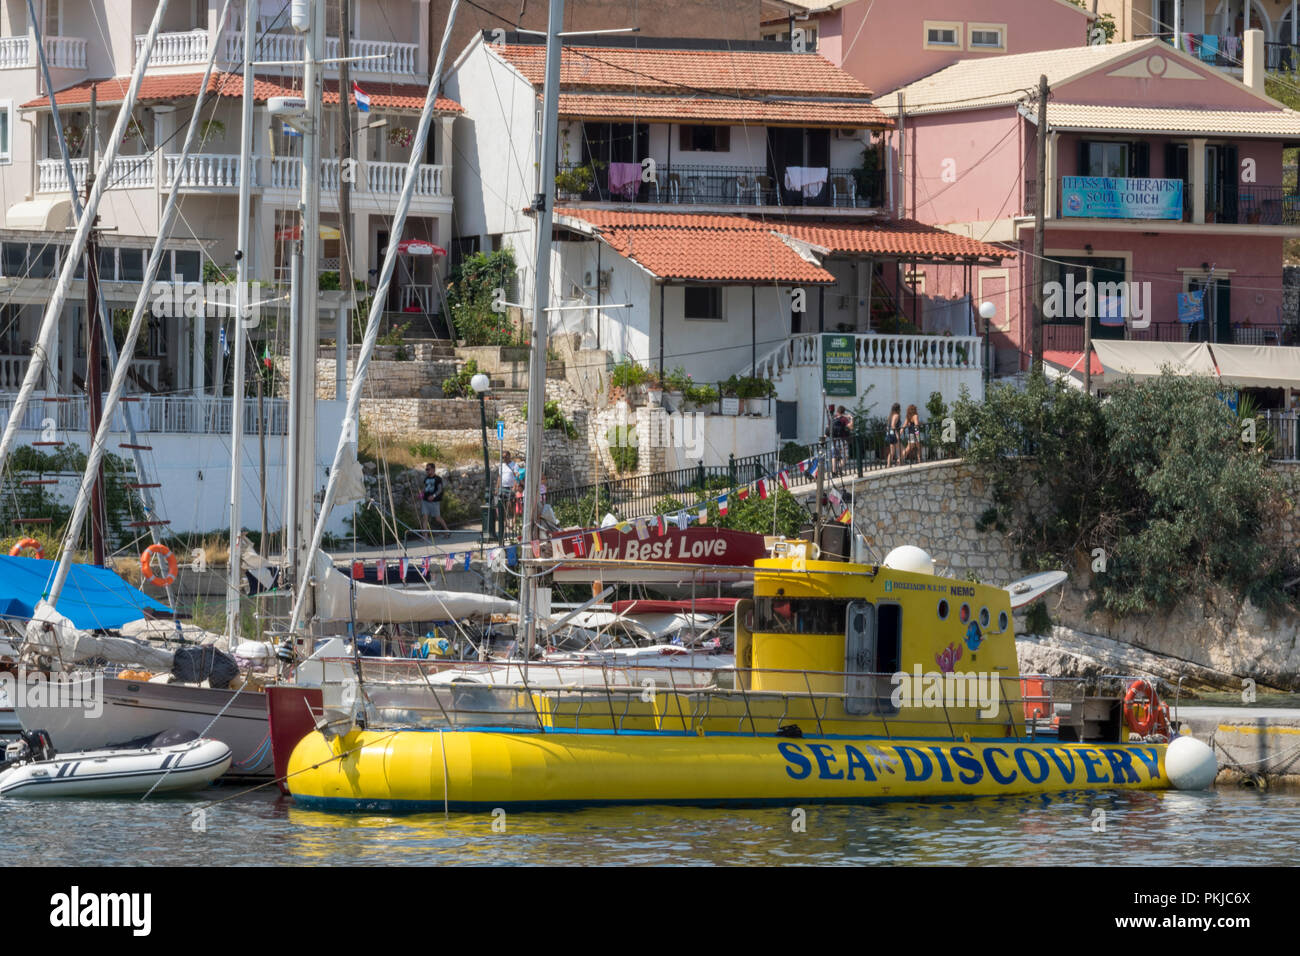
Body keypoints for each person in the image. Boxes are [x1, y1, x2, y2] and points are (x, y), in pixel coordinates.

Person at [418, 463, 451, 538]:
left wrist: (433, 496)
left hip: (434, 502)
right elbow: (424, 488)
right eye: (426, 469)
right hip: (425, 500)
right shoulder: (426, 478)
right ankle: (425, 535)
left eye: (428, 469)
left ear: (433, 469)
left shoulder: (438, 479)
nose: (427, 471)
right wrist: (421, 494)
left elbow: (440, 490)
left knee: (437, 518)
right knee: (425, 517)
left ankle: (447, 530)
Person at [497, 451, 519, 535]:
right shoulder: (501, 466)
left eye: (505, 457)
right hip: (503, 487)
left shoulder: (514, 465)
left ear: (509, 456)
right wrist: (497, 488)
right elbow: (499, 477)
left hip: (510, 487)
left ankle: (514, 519)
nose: (504, 458)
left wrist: (515, 486)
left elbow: (517, 476)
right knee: (502, 505)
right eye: (503, 457)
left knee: (511, 505)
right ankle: (505, 521)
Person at [886, 402, 902, 467]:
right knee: (899, 449)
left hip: (890, 434)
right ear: (898, 409)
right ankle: (899, 462)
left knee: (892, 451)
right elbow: (893, 425)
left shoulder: (890, 416)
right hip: (893, 434)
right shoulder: (896, 415)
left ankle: (888, 464)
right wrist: (897, 435)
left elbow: (888, 426)